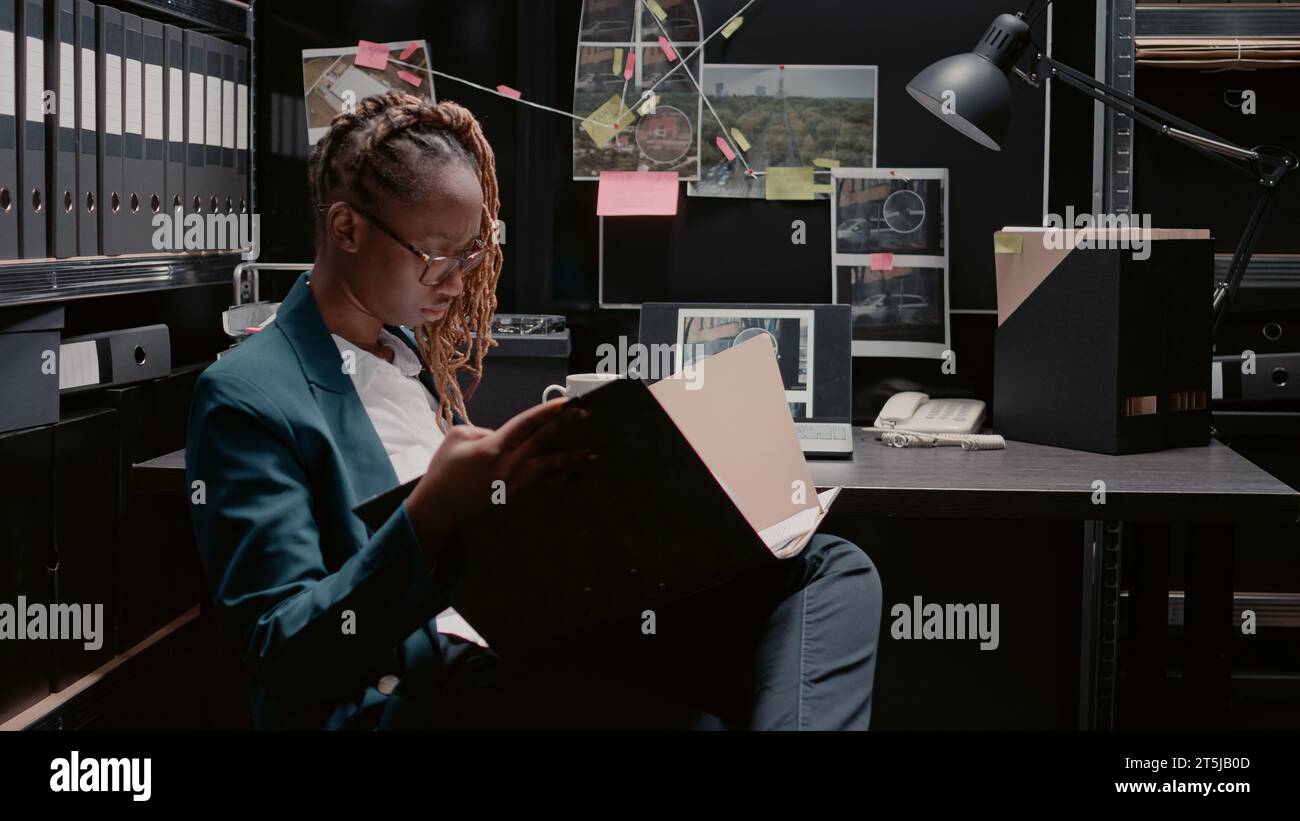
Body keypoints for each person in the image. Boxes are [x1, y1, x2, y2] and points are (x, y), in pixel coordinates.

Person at [186, 91, 883, 730]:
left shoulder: (403, 356)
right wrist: (432, 514)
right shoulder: (249, 394)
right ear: (346, 228)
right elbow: (282, 651)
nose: (458, 281)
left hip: (528, 625)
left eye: (473, 253)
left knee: (827, 563)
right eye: (436, 257)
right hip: (426, 679)